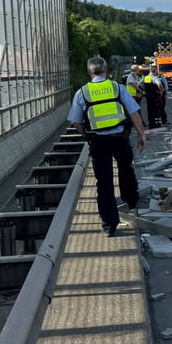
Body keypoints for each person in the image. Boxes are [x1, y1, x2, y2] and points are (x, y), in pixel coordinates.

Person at [67, 56, 147, 237]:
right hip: (120, 138)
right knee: (126, 169)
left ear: (89, 72)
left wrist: (86, 136)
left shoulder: (82, 93)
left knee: (104, 182)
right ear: (105, 71)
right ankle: (131, 199)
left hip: (98, 142)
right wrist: (141, 134)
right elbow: (133, 113)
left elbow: (76, 122)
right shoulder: (116, 87)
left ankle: (109, 224)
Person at [143, 64, 164, 128]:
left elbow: (139, 84)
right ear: (154, 72)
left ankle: (150, 123)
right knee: (156, 109)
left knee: (149, 109)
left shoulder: (146, 77)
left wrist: (144, 90)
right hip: (155, 96)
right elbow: (159, 84)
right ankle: (156, 123)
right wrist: (161, 91)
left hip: (148, 96)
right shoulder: (154, 77)